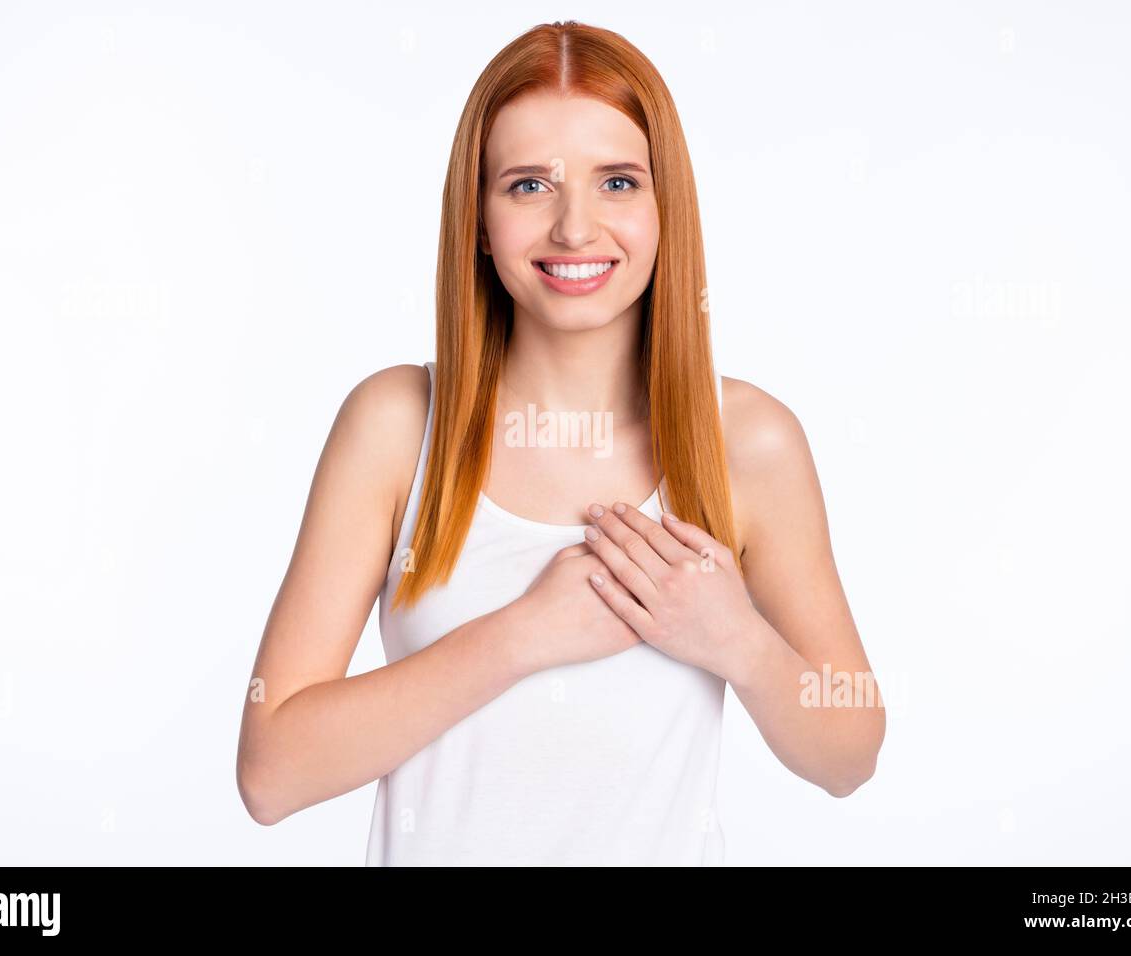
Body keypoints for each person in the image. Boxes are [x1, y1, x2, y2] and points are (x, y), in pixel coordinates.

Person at [236, 20, 884, 865]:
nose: (576, 229)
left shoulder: (747, 443)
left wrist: (739, 642)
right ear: (478, 219)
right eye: (529, 185)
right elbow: (271, 774)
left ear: (664, 210)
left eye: (617, 181)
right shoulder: (396, 426)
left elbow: (852, 754)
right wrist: (522, 636)